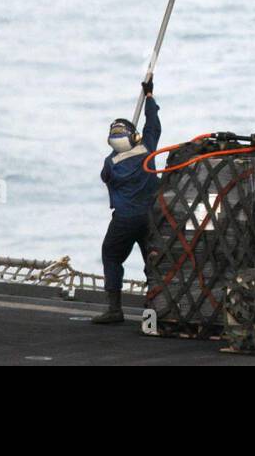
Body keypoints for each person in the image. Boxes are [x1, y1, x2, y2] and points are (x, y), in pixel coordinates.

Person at [92, 79, 161, 325]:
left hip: (124, 220)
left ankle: (114, 309)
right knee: (153, 262)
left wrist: (116, 152)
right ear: (134, 136)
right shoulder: (148, 148)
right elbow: (153, 125)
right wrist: (149, 96)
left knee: (111, 255)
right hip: (151, 218)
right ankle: (157, 309)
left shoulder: (110, 164)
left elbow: (105, 176)